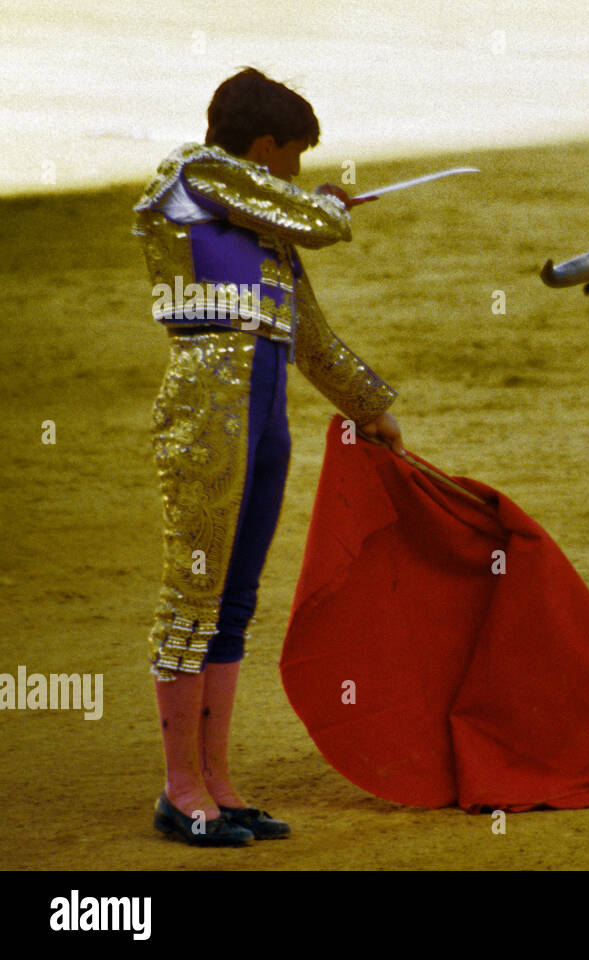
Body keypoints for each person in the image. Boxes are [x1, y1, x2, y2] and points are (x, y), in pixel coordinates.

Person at [133, 67, 403, 845]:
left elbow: (311, 340)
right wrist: (322, 206)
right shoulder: (199, 172)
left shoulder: (266, 234)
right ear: (262, 145)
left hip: (261, 414)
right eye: (292, 156)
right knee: (193, 597)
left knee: (235, 598)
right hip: (207, 408)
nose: (297, 172)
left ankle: (216, 783)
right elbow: (319, 221)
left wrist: (373, 409)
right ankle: (180, 789)